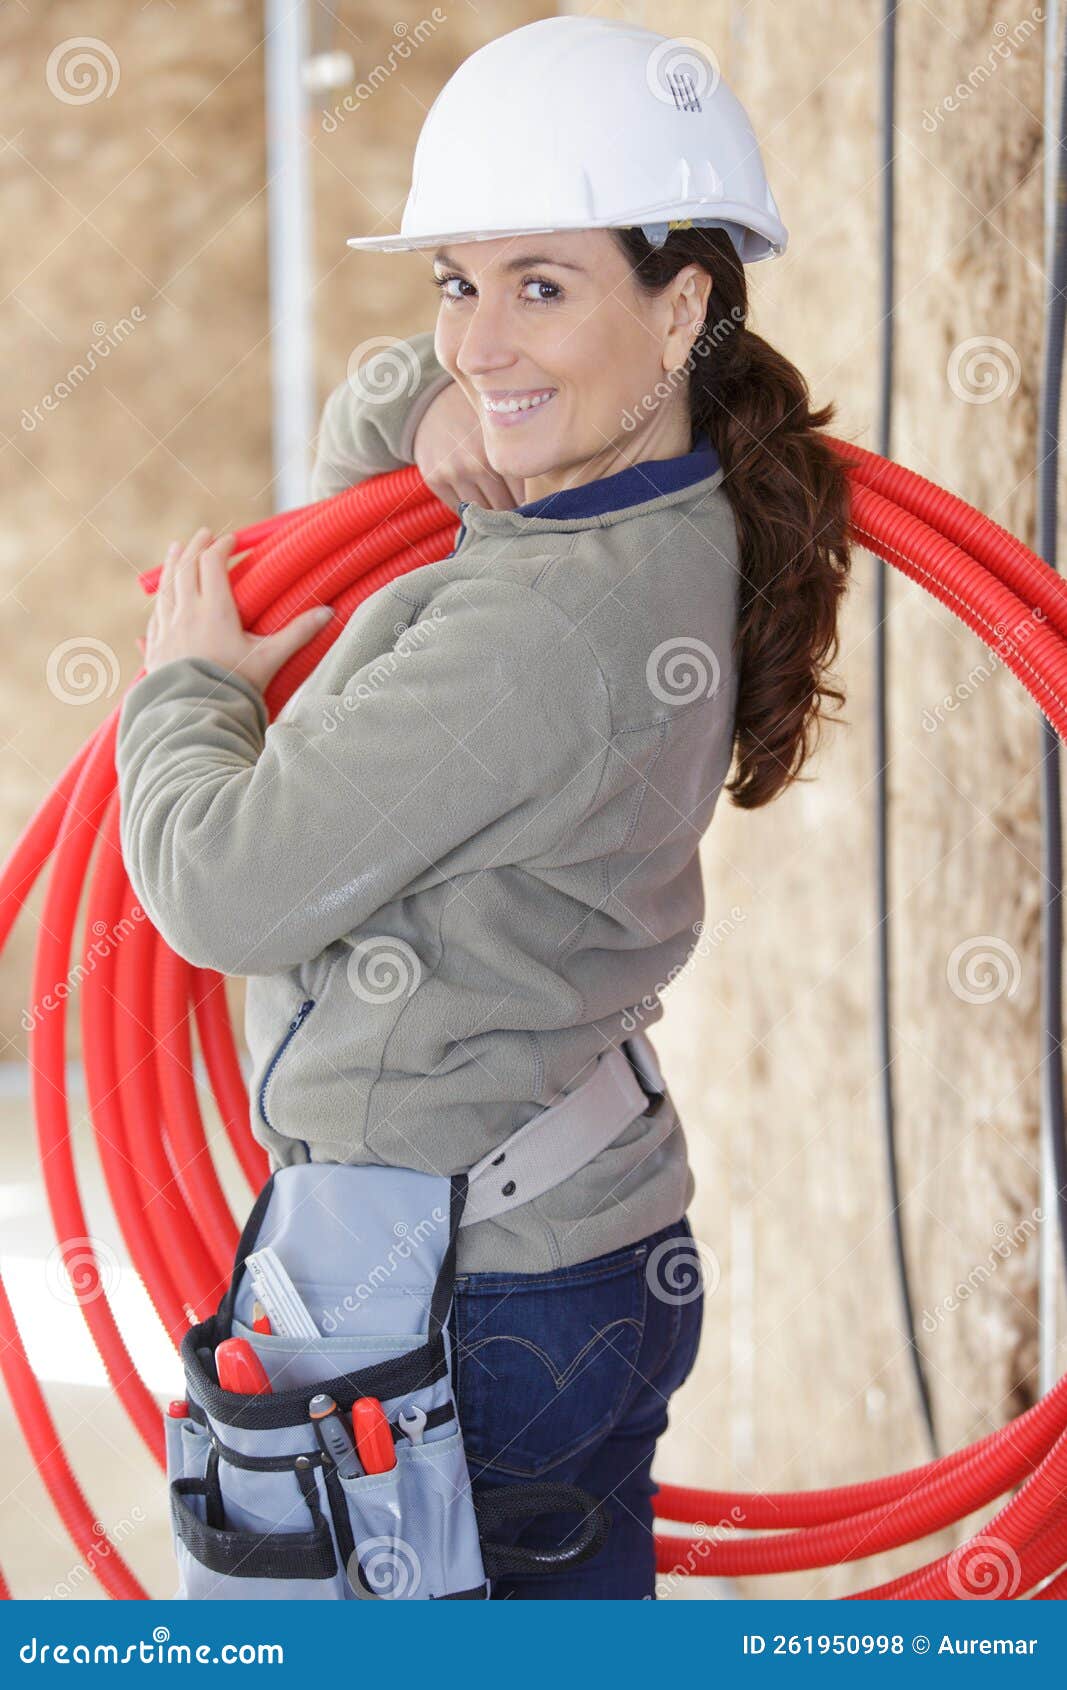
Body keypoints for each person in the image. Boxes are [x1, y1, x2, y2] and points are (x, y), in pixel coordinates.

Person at [116, 15, 853, 1599]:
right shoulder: (670, 495)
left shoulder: (543, 629)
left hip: (460, 1286)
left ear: (683, 304)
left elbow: (220, 882)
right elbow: (369, 496)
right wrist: (437, 396)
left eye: (544, 286)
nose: (482, 337)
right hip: (558, 1246)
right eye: (458, 283)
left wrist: (182, 690)